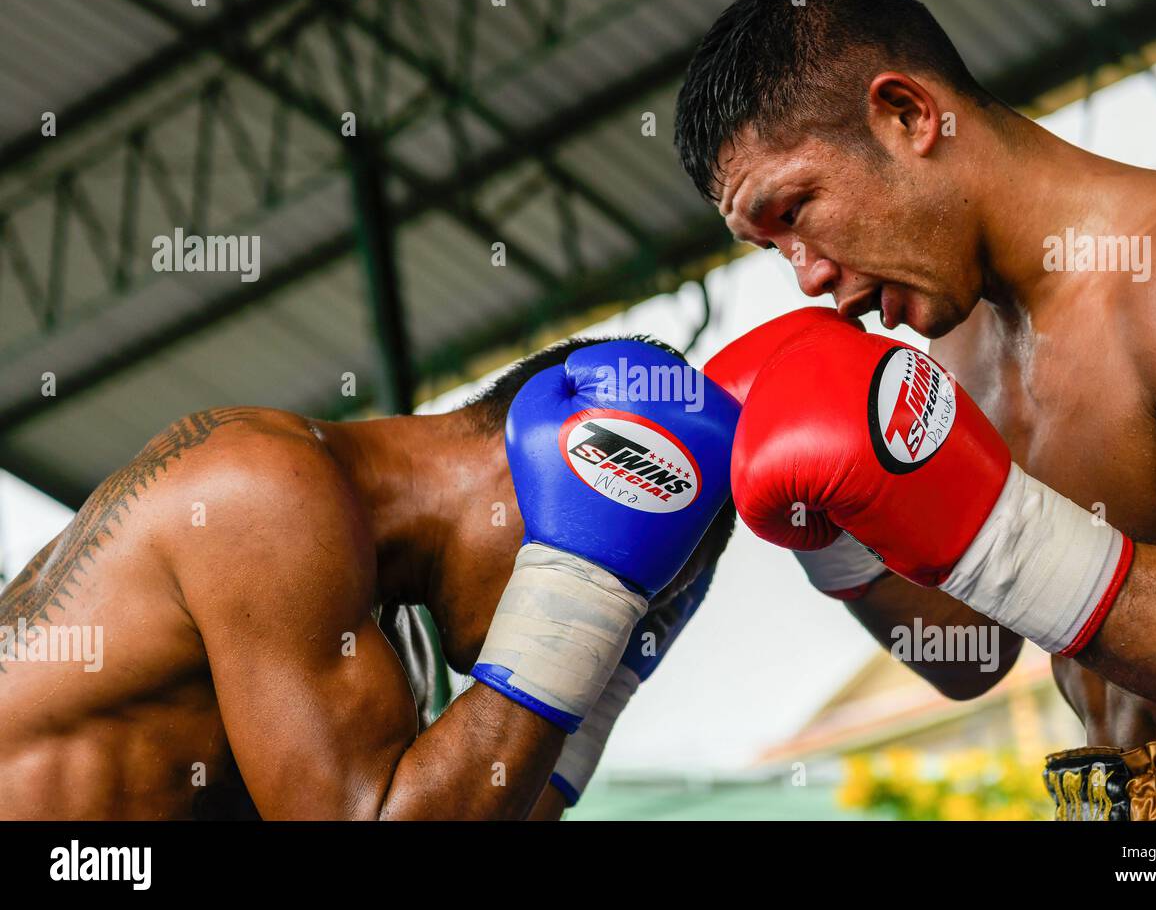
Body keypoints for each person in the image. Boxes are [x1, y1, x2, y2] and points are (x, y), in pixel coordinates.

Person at [679, 0, 1156, 820]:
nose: (809, 275)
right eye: (771, 247)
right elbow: (972, 657)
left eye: (796, 209)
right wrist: (836, 542)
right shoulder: (955, 340)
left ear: (908, 115)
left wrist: (1002, 539)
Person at [0, 336, 737, 819]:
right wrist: (580, 592)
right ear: (545, 479)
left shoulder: (379, 632)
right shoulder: (261, 488)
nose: (607, 635)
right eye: (621, 591)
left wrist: (597, 699)